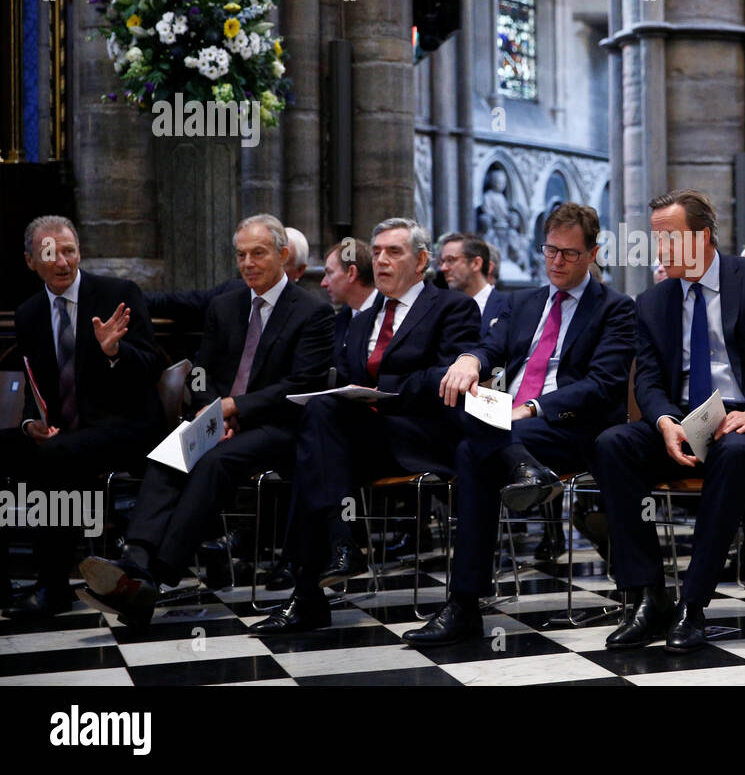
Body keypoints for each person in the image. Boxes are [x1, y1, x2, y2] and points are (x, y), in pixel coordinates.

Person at [77, 215, 335, 629]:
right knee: (171, 452)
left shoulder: (313, 311)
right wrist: (213, 409)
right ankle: (136, 561)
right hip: (222, 418)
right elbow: (202, 372)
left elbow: (301, 384)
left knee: (215, 462)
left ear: (283, 255)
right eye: (241, 255)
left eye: (258, 253)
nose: (247, 263)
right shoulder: (225, 305)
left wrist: (237, 408)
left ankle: (155, 577)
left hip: (281, 427)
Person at [588, 189, 745, 652]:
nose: (659, 251)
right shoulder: (652, 301)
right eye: (655, 240)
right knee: (612, 444)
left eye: (669, 239)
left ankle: (693, 604)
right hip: (684, 423)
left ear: (702, 237)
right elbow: (647, 381)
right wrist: (664, 421)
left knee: (731, 453)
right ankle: (649, 596)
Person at [401, 204, 637, 646]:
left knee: (472, 451)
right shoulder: (520, 301)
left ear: (593, 253)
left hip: (568, 425)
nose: (556, 262)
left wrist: (531, 407)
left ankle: (464, 606)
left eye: (569, 253)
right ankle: (520, 466)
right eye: (550, 251)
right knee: (452, 393)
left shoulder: (615, 308)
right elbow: (490, 345)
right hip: (509, 422)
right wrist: (470, 361)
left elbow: (601, 385)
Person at [250, 218, 481, 635]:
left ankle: (313, 586)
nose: (381, 260)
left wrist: (382, 392)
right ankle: (335, 552)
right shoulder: (362, 317)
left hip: (423, 433)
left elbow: (447, 378)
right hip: (366, 438)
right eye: (376, 252)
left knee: (316, 441)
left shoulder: (451, 306)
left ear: (421, 261)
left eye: (394, 252)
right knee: (313, 431)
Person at [3, 216, 165, 620]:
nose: (62, 262)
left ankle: (53, 586)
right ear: (30, 261)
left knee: (55, 456)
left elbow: (152, 367)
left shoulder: (118, 294)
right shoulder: (28, 314)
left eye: (70, 251)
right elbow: (31, 381)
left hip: (126, 424)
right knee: (14, 445)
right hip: (65, 430)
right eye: (50, 253)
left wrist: (114, 352)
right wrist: (29, 423)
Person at [321, 237, 377, 368]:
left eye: (329, 273)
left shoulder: (388, 313)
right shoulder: (340, 319)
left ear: (351, 273)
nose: (323, 283)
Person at [439, 232, 507, 338]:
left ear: (476, 264)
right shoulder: (440, 309)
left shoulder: (508, 307)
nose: (443, 268)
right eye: (442, 261)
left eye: (450, 260)